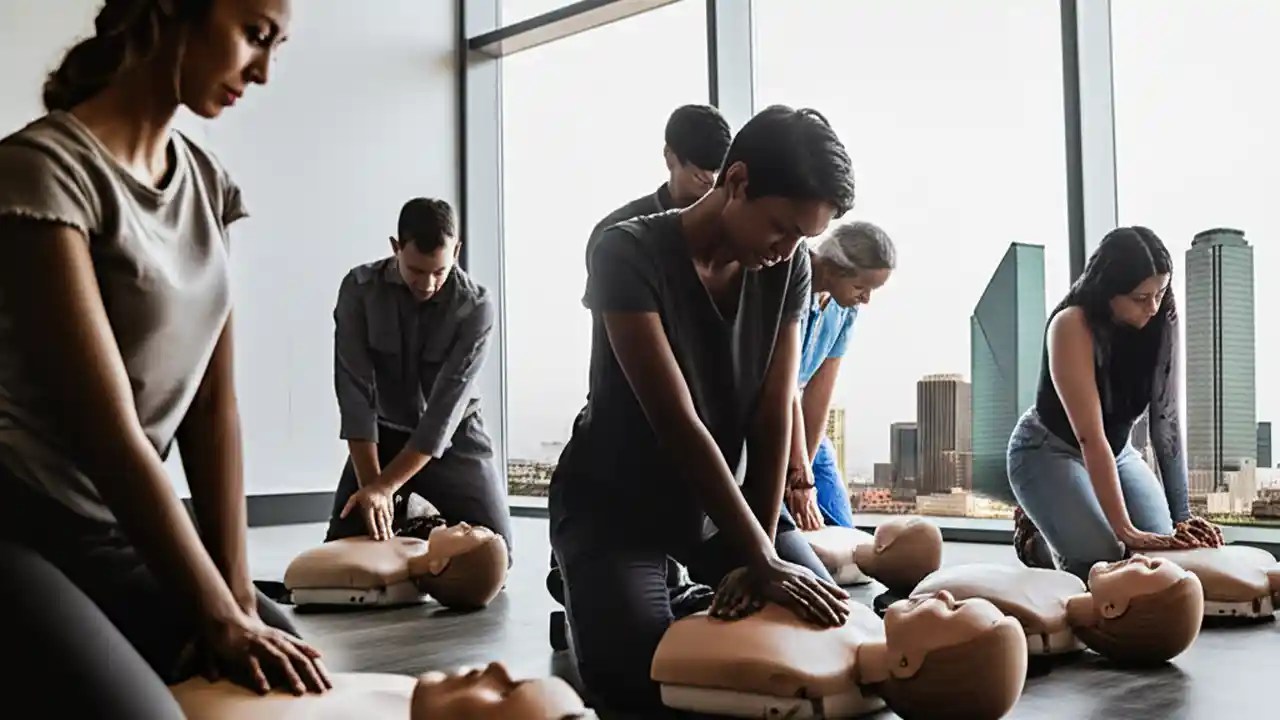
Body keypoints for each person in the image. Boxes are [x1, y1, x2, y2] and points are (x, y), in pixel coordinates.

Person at [0, 0, 330, 716]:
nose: (265, 71)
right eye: (253, 36)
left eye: (277, 45)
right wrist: (213, 614)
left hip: (118, 527)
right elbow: (108, 431)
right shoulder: (39, 171)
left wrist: (239, 596)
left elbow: (214, 410)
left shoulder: (207, 184)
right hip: (21, 523)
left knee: (297, 678)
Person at [549, 104, 857, 713]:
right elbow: (676, 422)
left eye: (804, 236)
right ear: (736, 181)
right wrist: (761, 559)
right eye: (781, 227)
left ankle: (687, 593)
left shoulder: (789, 265)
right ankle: (596, 585)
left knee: (828, 633)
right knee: (642, 679)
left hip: (724, 507)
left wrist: (760, 550)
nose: (789, 248)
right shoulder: (625, 251)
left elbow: (774, 412)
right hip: (616, 506)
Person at [326, 197, 513, 560]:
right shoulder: (359, 289)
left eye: (439, 272)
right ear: (396, 248)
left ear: (456, 251)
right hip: (384, 434)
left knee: (494, 556)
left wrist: (386, 488)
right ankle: (409, 516)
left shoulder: (476, 307)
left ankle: (424, 519)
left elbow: (442, 415)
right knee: (344, 553)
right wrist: (374, 491)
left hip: (456, 437)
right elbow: (355, 395)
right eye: (416, 270)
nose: (428, 285)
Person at [1006, 227, 1196, 580]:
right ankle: (1036, 537)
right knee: (1105, 559)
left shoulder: (1161, 314)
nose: (1153, 307)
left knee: (1162, 550)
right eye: (1141, 298)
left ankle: (1070, 522)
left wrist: (1182, 521)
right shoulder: (1070, 325)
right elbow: (1090, 437)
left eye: (1161, 293)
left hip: (1118, 452)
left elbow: (1165, 420)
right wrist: (1125, 532)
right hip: (1049, 450)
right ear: (1109, 291)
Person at [784, 221, 896, 531]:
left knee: (843, 533)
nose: (866, 299)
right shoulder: (789, 282)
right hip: (766, 416)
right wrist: (797, 475)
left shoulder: (845, 311)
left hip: (806, 431)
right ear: (832, 268)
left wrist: (803, 468)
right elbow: (785, 384)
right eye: (862, 288)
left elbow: (819, 392)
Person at [585, 103, 732, 266]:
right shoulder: (618, 234)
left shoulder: (736, 227)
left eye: (717, 169)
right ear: (669, 156)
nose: (710, 180)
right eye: (698, 171)